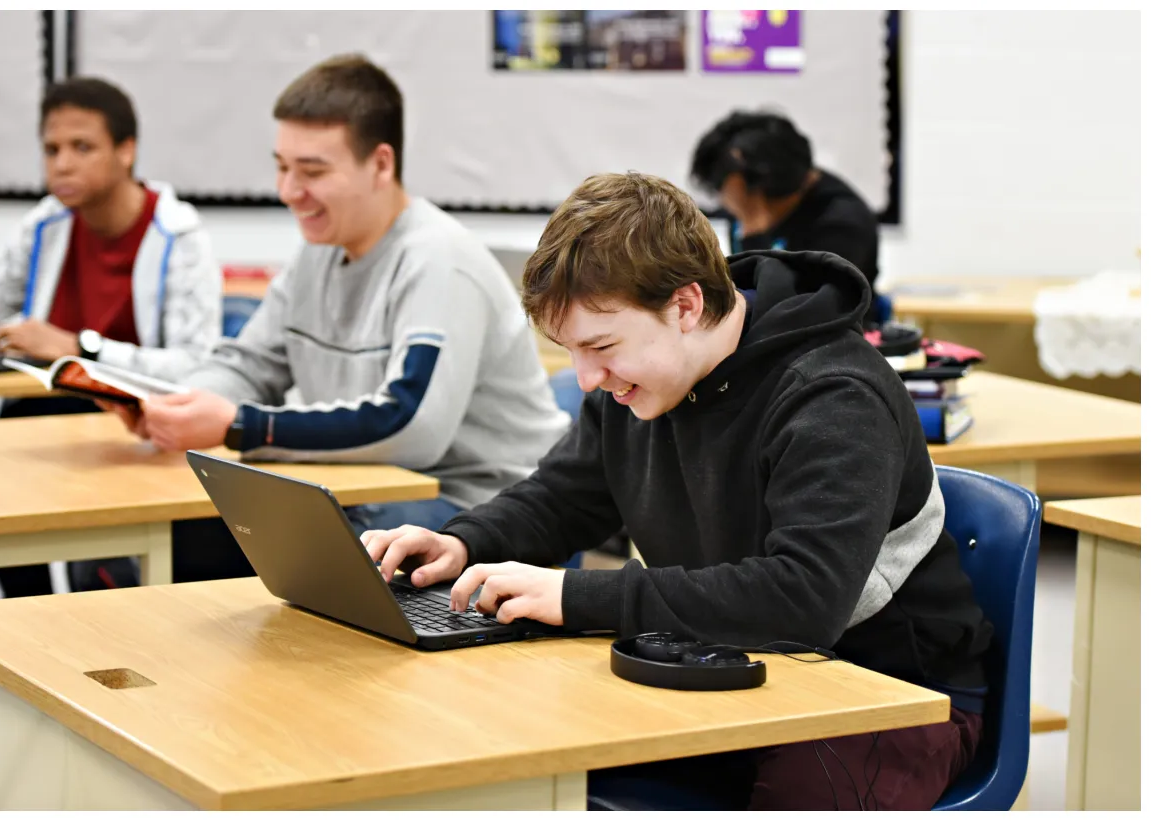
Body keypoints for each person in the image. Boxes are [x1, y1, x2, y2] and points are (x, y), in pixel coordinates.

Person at [362, 171, 991, 810]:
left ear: (686, 307)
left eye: (601, 346)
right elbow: (564, 497)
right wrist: (463, 543)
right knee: (512, 753)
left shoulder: (834, 395)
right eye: (570, 350)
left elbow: (803, 598)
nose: (586, 378)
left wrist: (575, 596)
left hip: (890, 695)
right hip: (722, 663)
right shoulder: (640, 383)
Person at [108, 54, 571, 583]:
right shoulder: (319, 253)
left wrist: (239, 426)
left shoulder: (438, 262)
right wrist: (177, 407)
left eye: (312, 172)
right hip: (376, 488)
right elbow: (249, 364)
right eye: (282, 167)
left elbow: (410, 426)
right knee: (194, 536)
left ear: (381, 164)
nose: (289, 191)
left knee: (287, 556)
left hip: (482, 511)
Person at [0, 76, 223, 598]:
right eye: (51, 150)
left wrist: (81, 348)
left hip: (133, 423)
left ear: (126, 151)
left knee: (98, 560)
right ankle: (28, 617)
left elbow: (196, 366)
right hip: (49, 414)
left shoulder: (180, 237)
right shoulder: (47, 222)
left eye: (82, 147)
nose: (62, 164)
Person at [690, 110, 880, 320]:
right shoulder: (749, 198)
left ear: (758, 188)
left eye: (721, 188)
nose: (723, 201)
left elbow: (794, 314)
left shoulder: (843, 225)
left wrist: (754, 230)